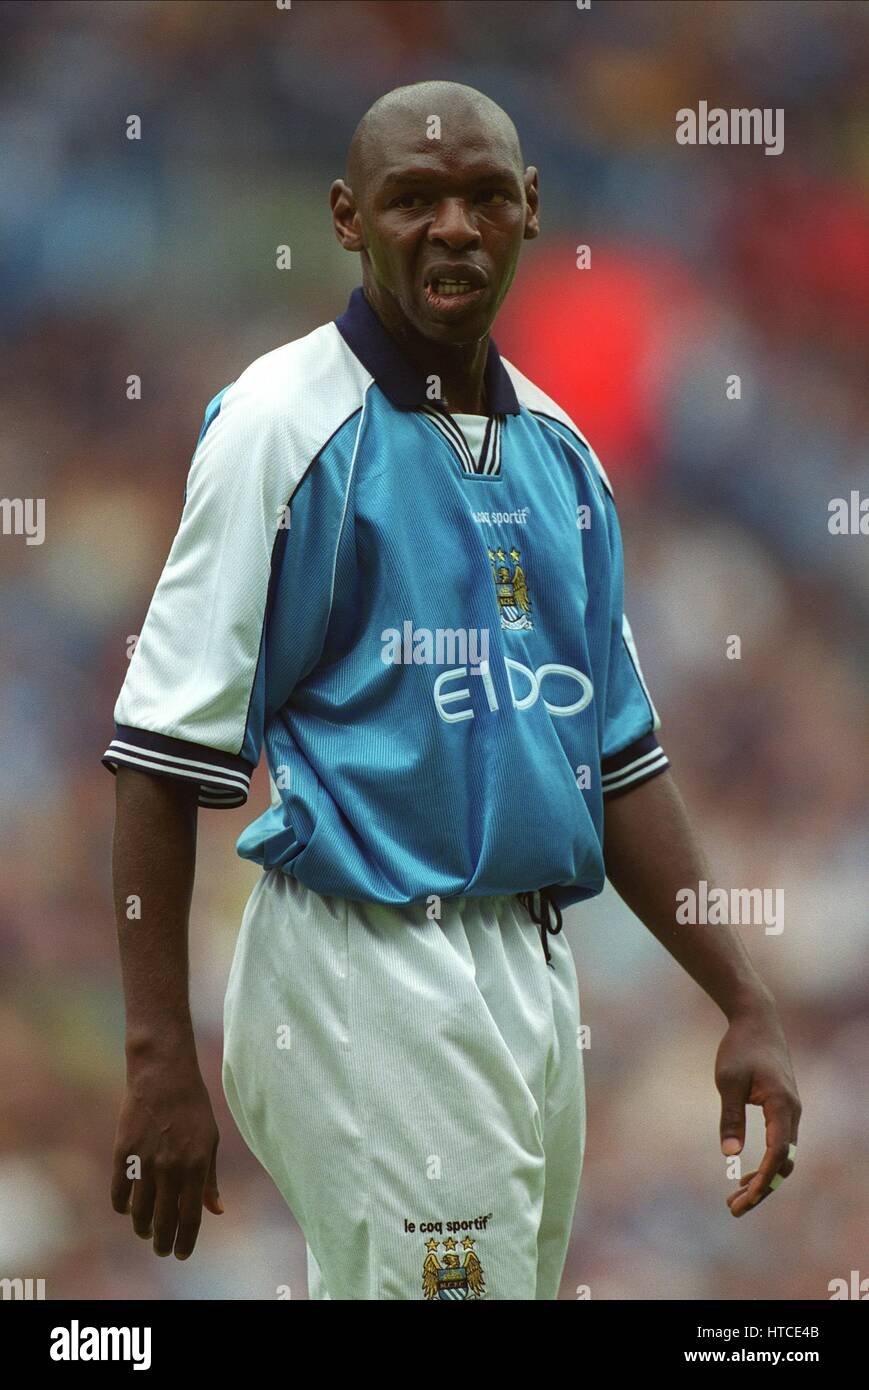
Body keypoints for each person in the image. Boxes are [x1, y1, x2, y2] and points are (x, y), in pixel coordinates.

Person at [105, 81, 800, 1301]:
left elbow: (616, 759)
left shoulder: (561, 452)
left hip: (526, 965)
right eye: (411, 199)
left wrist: (740, 999)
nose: (452, 227)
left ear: (531, 209)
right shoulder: (281, 424)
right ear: (344, 217)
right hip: (364, 960)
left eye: (483, 195)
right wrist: (161, 1056)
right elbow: (161, 754)